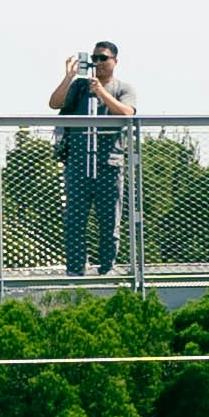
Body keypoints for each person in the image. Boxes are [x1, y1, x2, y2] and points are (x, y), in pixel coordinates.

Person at [48, 41, 130, 274]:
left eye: (103, 58)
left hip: (109, 165)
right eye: (95, 58)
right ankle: (75, 270)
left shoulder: (123, 88)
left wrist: (101, 92)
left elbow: (127, 113)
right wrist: (69, 77)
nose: (98, 63)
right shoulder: (79, 87)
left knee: (109, 221)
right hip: (77, 164)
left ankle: (107, 269)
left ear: (115, 61)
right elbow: (55, 103)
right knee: (74, 220)